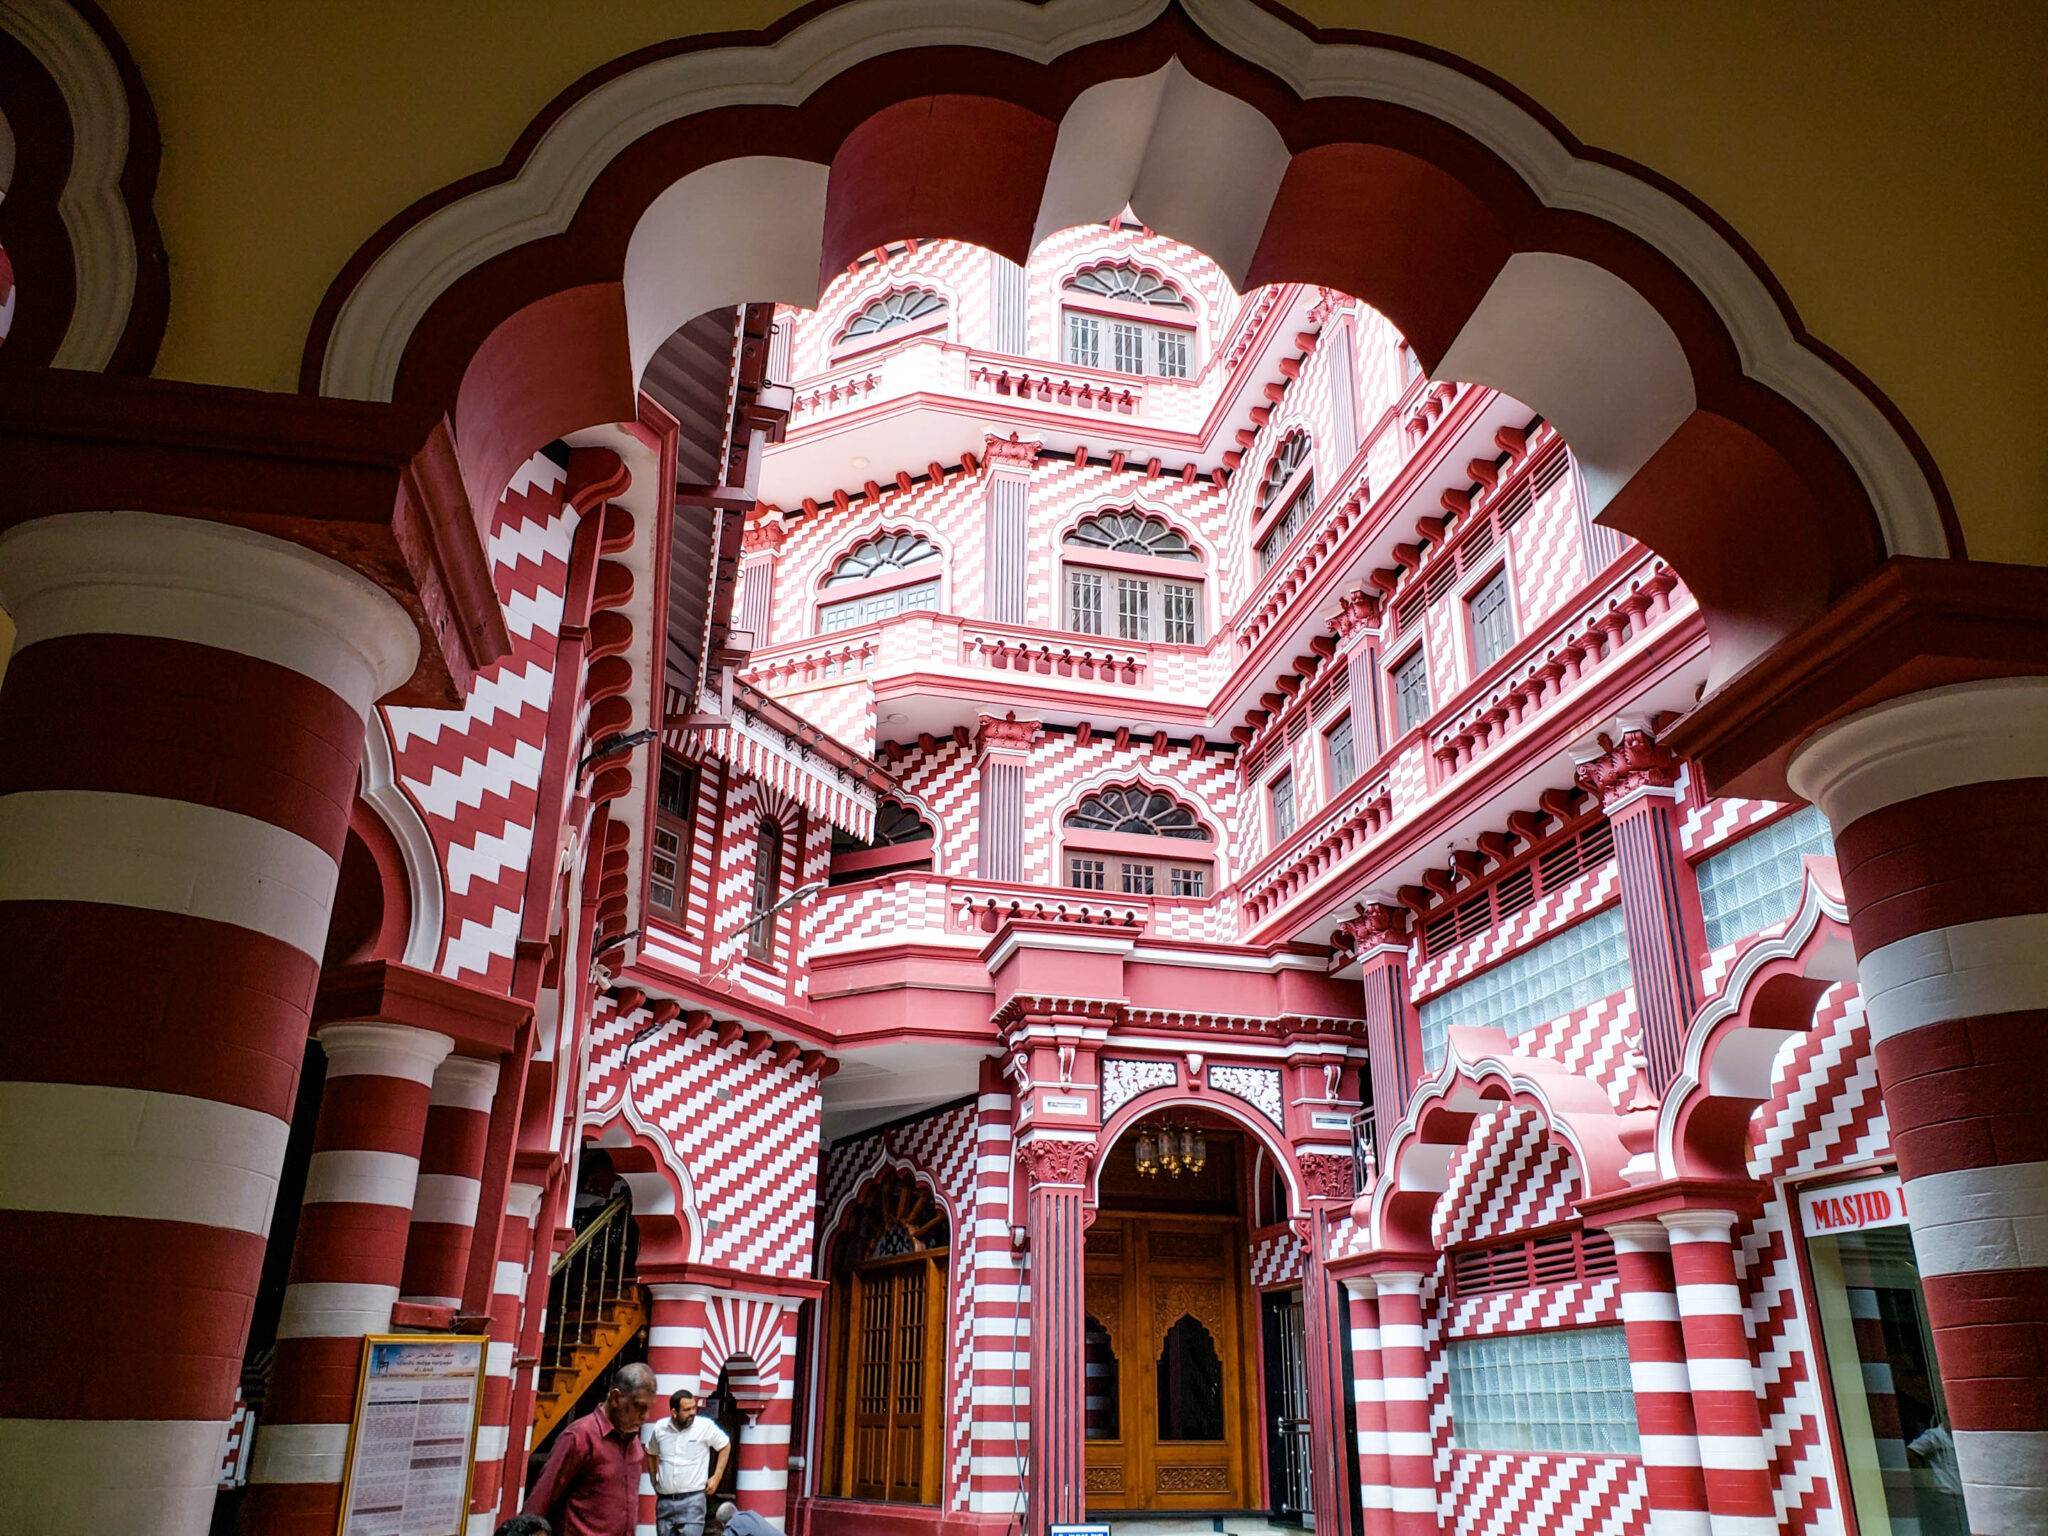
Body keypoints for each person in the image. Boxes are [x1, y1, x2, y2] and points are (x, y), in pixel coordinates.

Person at [522, 1361, 658, 1536]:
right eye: (639, 1407)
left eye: (649, 1409)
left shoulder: (632, 1441)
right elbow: (540, 1500)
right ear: (616, 1398)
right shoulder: (580, 1436)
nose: (645, 1416)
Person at [643, 1388, 731, 1536]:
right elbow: (651, 1452)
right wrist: (653, 1478)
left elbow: (725, 1445)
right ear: (674, 1412)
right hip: (665, 1501)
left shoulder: (704, 1426)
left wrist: (717, 1477)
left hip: (693, 1500)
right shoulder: (660, 1428)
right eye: (687, 1410)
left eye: (694, 1408)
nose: (692, 1413)